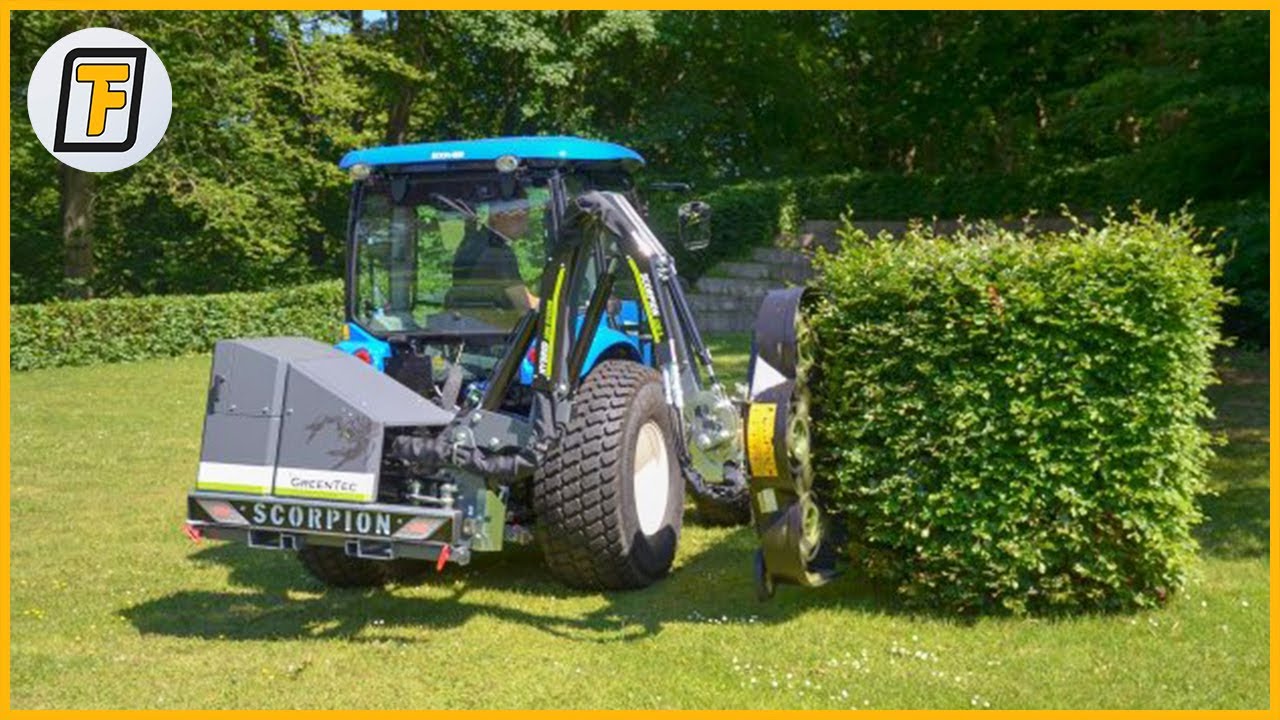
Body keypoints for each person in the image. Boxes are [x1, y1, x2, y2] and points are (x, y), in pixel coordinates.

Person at [449, 198, 538, 313]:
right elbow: (524, 304)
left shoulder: (472, 242)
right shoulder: (498, 252)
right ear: (497, 216)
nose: (525, 227)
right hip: (490, 326)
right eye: (519, 218)